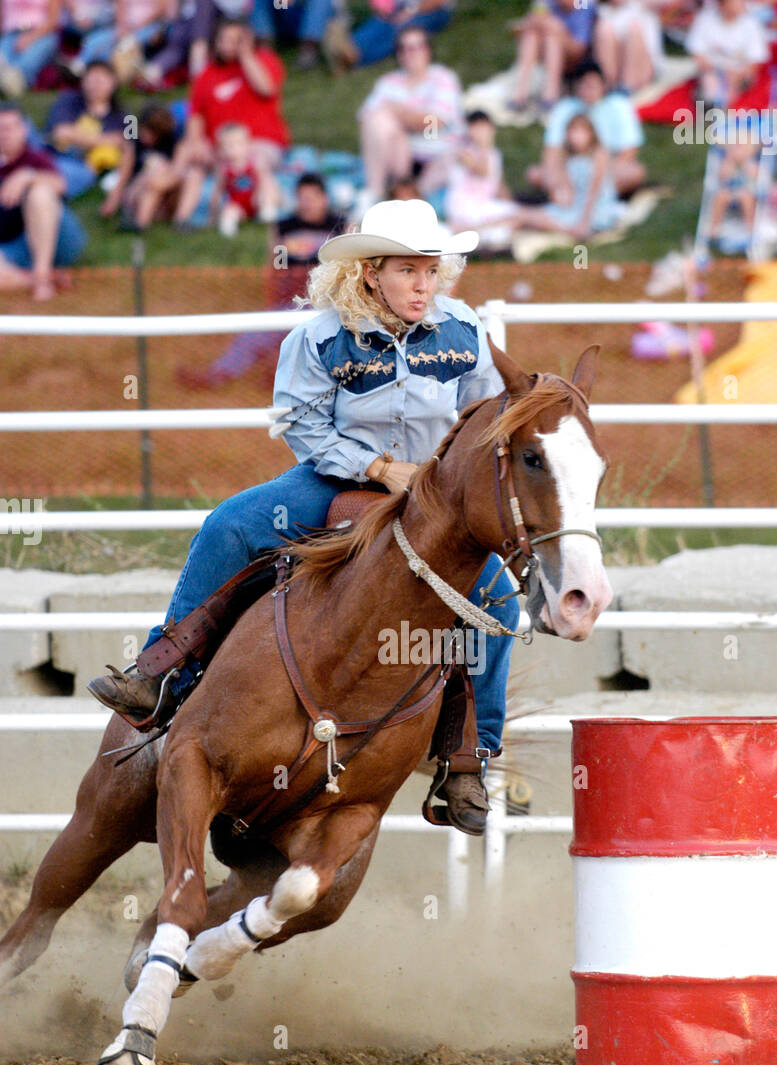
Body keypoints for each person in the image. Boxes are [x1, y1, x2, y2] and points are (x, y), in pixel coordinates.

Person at [89, 198, 519, 835]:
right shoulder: (319, 337)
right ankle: (162, 673)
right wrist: (379, 469)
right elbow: (304, 426)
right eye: (408, 271)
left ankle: (468, 761)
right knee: (231, 526)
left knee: (499, 601)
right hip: (332, 481)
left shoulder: (465, 331)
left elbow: (486, 420)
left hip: (431, 498)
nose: (423, 285)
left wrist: (443, 481)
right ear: (370, 272)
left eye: (431, 270)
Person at [178, 172, 343, 388]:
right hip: (291, 302)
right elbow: (275, 267)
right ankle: (218, 374)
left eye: (312, 198)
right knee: (253, 335)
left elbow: (347, 270)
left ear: (324, 199)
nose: (306, 204)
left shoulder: (340, 226)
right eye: (302, 198)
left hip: (325, 305)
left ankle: (286, 369)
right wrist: (286, 282)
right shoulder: (285, 228)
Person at [168, 17, 289, 226]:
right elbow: (196, 115)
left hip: (260, 142)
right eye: (225, 39)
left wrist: (246, 56)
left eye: (237, 40)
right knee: (187, 157)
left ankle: (263, 204)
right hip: (220, 147)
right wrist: (196, 142)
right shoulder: (206, 74)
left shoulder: (265, 59)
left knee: (254, 161)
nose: (230, 44)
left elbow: (266, 88)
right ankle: (173, 210)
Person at [358, 23, 463, 201]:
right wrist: (406, 119)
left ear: (428, 50)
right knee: (378, 121)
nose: (409, 54)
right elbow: (366, 118)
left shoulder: (443, 78)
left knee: (383, 118)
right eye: (404, 48)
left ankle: (386, 193)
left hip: (437, 154)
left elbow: (433, 124)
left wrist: (398, 113)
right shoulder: (388, 82)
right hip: (400, 154)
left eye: (415, 48)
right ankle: (376, 191)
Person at [0, 102, 87, 300]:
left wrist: (28, 176)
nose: (4, 134)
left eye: (9, 128)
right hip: (14, 247)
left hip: (56, 237)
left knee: (40, 192)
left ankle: (42, 274)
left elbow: (60, 185)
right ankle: (42, 278)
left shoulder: (36, 158)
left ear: (24, 129)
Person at [539, 63, 645, 197]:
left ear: (603, 85)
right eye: (583, 85)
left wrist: (597, 172)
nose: (588, 91)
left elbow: (628, 152)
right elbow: (552, 152)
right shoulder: (565, 108)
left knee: (634, 173)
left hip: (608, 170)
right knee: (538, 174)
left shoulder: (619, 106)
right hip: (570, 171)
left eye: (592, 86)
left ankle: (583, 196)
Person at [523, 111, 623, 238]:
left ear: (591, 133)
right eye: (573, 132)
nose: (577, 137)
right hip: (576, 204)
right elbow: (566, 190)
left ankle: (571, 230)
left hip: (595, 207)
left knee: (533, 218)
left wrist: (585, 221)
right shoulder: (567, 156)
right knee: (531, 216)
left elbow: (595, 189)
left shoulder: (599, 154)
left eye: (582, 132)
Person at [43, 59, 126, 200]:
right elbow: (61, 132)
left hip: (81, 167)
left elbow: (131, 146)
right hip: (49, 152)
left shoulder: (127, 116)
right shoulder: (68, 99)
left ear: (113, 83)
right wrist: (108, 140)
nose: (96, 85)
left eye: (101, 80)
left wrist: (76, 136)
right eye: (91, 79)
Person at [444, 109, 523, 249]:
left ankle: (473, 231)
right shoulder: (464, 151)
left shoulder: (495, 154)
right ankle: (463, 230)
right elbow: (482, 171)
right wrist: (484, 146)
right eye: (476, 127)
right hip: (465, 206)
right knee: (511, 219)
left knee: (516, 217)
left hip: (483, 205)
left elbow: (497, 183)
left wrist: (511, 203)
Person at [99, 100, 179, 225]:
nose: (148, 137)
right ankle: (135, 215)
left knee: (156, 167)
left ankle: (140, 221)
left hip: (158, 186)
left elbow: (173, 172)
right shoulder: (134, 139)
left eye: (154, 134)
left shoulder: (171, 143)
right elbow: (126, 167)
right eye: (146, 131)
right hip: (135, 184)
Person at [509, 0, 597, 113]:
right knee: (532, 35)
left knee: (552, 38)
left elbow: (579, 50)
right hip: (546, 55)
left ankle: (550, 95)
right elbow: (524, 28)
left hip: (574, 62)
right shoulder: (548, 4)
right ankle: (521, 92)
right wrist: (534, 22)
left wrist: (558, 31)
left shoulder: (583, 5)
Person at [685, 0, 770, 107]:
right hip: (713, 70)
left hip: (739, 72)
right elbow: (697, 51)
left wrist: (737, 75)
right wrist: (716, 71)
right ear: (722, 4)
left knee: (731, 87)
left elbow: (756, 60)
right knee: (710, 84)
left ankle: (725, 105)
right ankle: (711, 102)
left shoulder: (751, 23)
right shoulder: (705, 19)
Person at [336, 0, 455, 70]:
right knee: (379, 22)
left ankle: (355, 59)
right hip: (402, 8)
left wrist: (410, 11)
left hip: (433, 10)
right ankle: (348, 48)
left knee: (402, 31)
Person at [70, 0, 168, 81]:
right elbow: (121, 7)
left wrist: (138, 26)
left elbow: (161, 9)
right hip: (124, 28)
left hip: (148, 28)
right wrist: (122, 28)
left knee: (127, 44)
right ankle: (80, 64)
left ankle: (140, 70)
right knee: (97, 39)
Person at [211, 119, 279, 233]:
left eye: (238, 144)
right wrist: (214, 210)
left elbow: (264, 181)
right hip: (237, 203)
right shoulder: (224, 169)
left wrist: (265, 194)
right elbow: (218, 190)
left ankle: (268, 211)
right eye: (228, 145)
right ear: (221, 149)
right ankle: (228, 227)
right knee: (229, 211)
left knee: (267, 187)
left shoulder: (254, 163)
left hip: (255, 199)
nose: (233, 149)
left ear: (247, 144)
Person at [593, 0, 664, 94]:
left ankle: (627, 88)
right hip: (614, 66)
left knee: (634, 29)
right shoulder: (599, 8)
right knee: (604, 29)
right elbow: (577, 5)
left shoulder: (640, 5)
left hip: (645, 66)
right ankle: (607, 87)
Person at [0, 0, 60, 95]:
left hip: (42, 35)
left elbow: (53, 21)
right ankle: (7, 82)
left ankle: (13, 83)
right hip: (10, 34)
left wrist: (30, 37)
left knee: (26, 63)